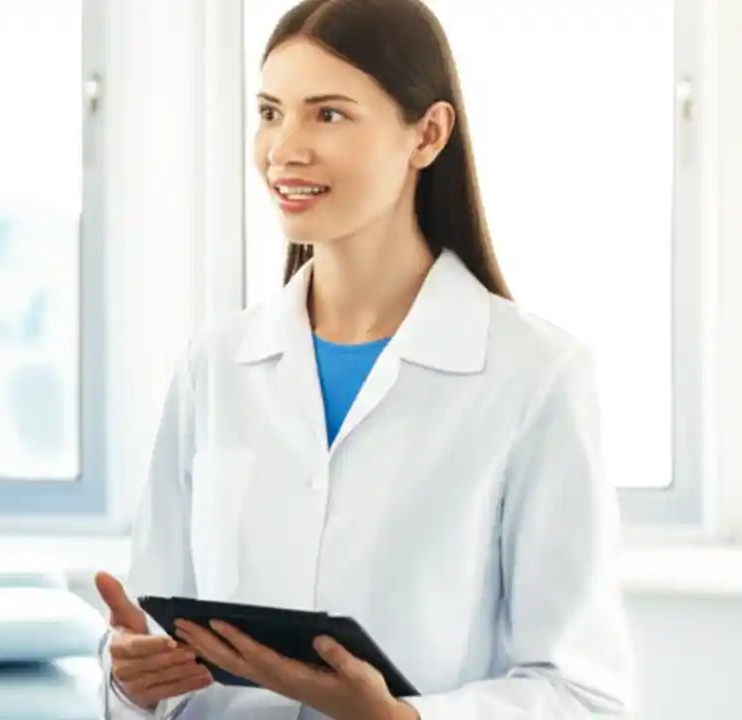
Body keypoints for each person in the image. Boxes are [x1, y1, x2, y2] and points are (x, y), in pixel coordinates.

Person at [94, 0, 636, 718]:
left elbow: (584, 694)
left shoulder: (535, 376)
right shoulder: (215, 366)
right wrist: (129, 683)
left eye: (328, 114)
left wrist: (399, 719)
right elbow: (156, 653)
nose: (284, 148)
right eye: (270, 112)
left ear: (428, 134)